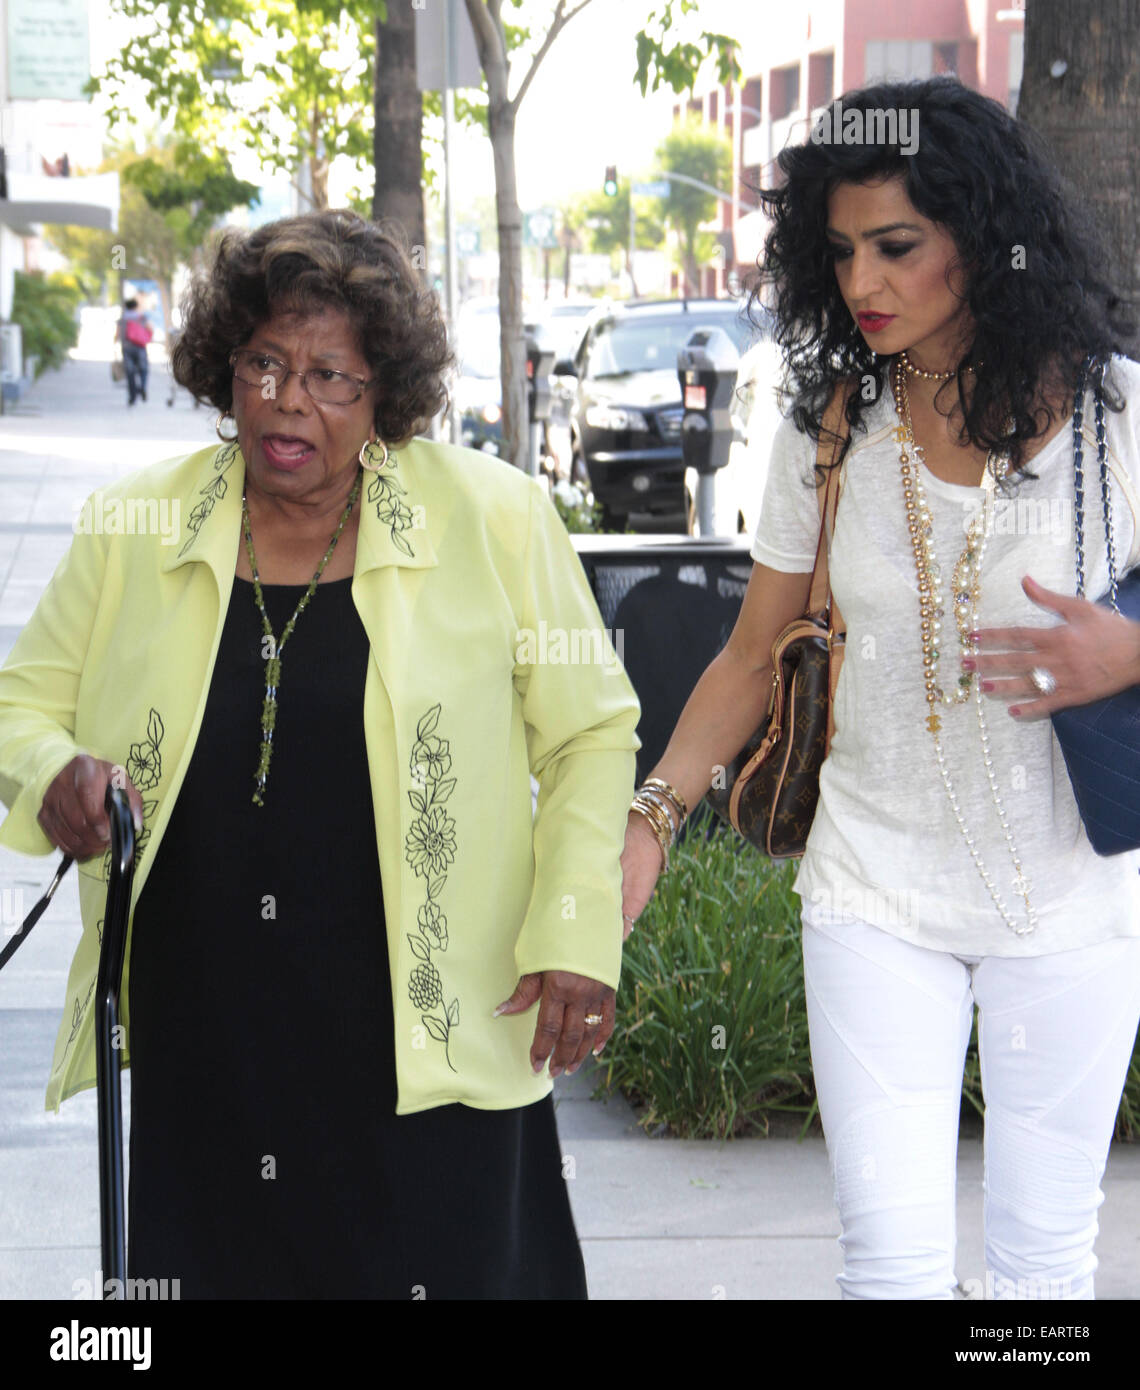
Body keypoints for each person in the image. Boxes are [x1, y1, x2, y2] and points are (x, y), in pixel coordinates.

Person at [0, 209, 640, 1298]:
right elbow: (21, 706)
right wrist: (57, 771)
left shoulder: (494, 518)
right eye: (263, 363)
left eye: (330, 376)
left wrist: (575, 926)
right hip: (211, 1033)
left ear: (386, 391)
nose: (287, 400)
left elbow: (589, 731)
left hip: (429, 1026)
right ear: (224, 366)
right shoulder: (131, 526)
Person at [620, 76, 1140, 1300]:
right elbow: (752, 654)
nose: (864, 280)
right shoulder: (830, 425)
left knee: (1040, 1278)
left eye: (897, 246)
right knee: (890, 1275)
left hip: (1075, 900)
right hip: (874, 893)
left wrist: (1128, 655)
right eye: (844, 250)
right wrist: (651, 818)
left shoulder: (1117, 415)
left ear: (985, 235)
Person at [116, 297, 151, 406]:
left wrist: (115, 343)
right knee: (143, 369)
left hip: (127, 348)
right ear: (136, 307)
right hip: (140, 346)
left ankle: (132, 396)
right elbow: (150, 328)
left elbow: (117, 334)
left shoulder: (122, 319)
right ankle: (143, 387)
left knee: (130, 372)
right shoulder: (141, 318)